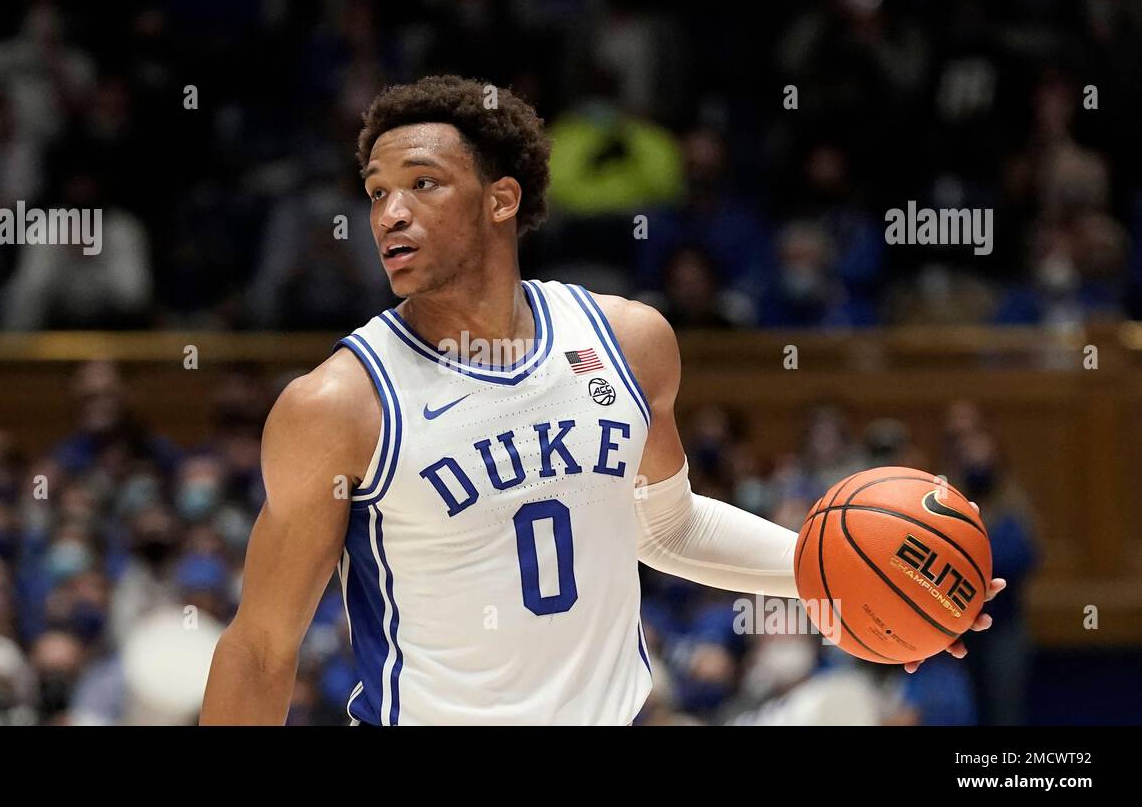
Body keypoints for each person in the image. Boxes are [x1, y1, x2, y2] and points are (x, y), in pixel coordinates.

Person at [199, 75, 1003, 725]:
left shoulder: (629, 339)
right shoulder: (339, 405)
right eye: (376, 192)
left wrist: (857, 574)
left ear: (501, 200)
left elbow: (668, 526)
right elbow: (262, 648)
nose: (390, 213)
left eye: (422, 184)